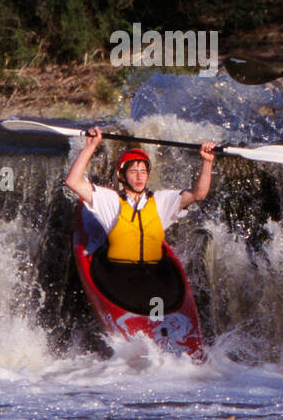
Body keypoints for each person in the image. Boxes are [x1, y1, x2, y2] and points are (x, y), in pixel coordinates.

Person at [64, 129, 215, 311]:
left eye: (143, 171)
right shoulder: (111, 201)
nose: (139, 177)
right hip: (118, 278)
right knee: (137, 305)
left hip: (152, 278)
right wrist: (91, 146)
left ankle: (157, 323)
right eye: (134, 171)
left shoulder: (161, 201)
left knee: (157, 315)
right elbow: (73, 182)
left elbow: (199, 193)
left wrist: (207, 162)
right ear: (121, 176)